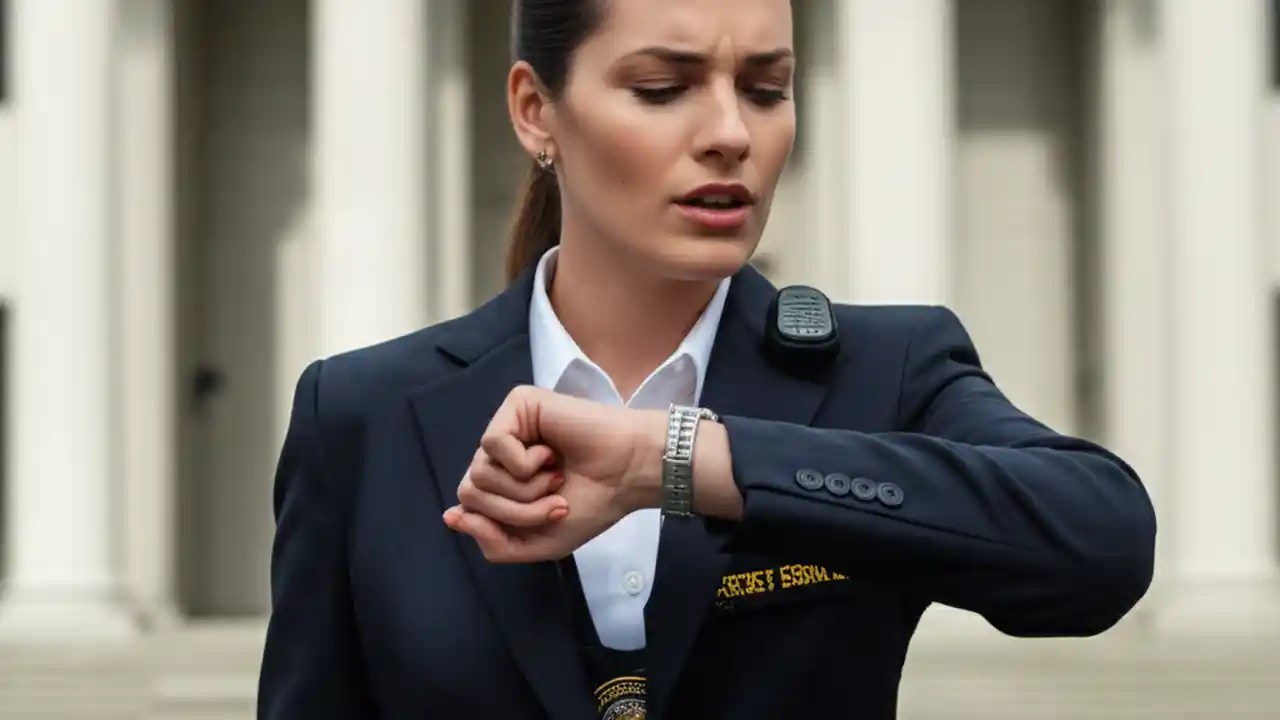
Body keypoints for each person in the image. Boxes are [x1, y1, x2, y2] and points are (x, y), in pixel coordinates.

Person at [257, 0, 1157, 718]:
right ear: (537, 111)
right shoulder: (362, 416)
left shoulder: (884, 370)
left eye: (767, 89)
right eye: (661, 87)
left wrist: (682, 461)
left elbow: (1100, 542)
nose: (731, 132)